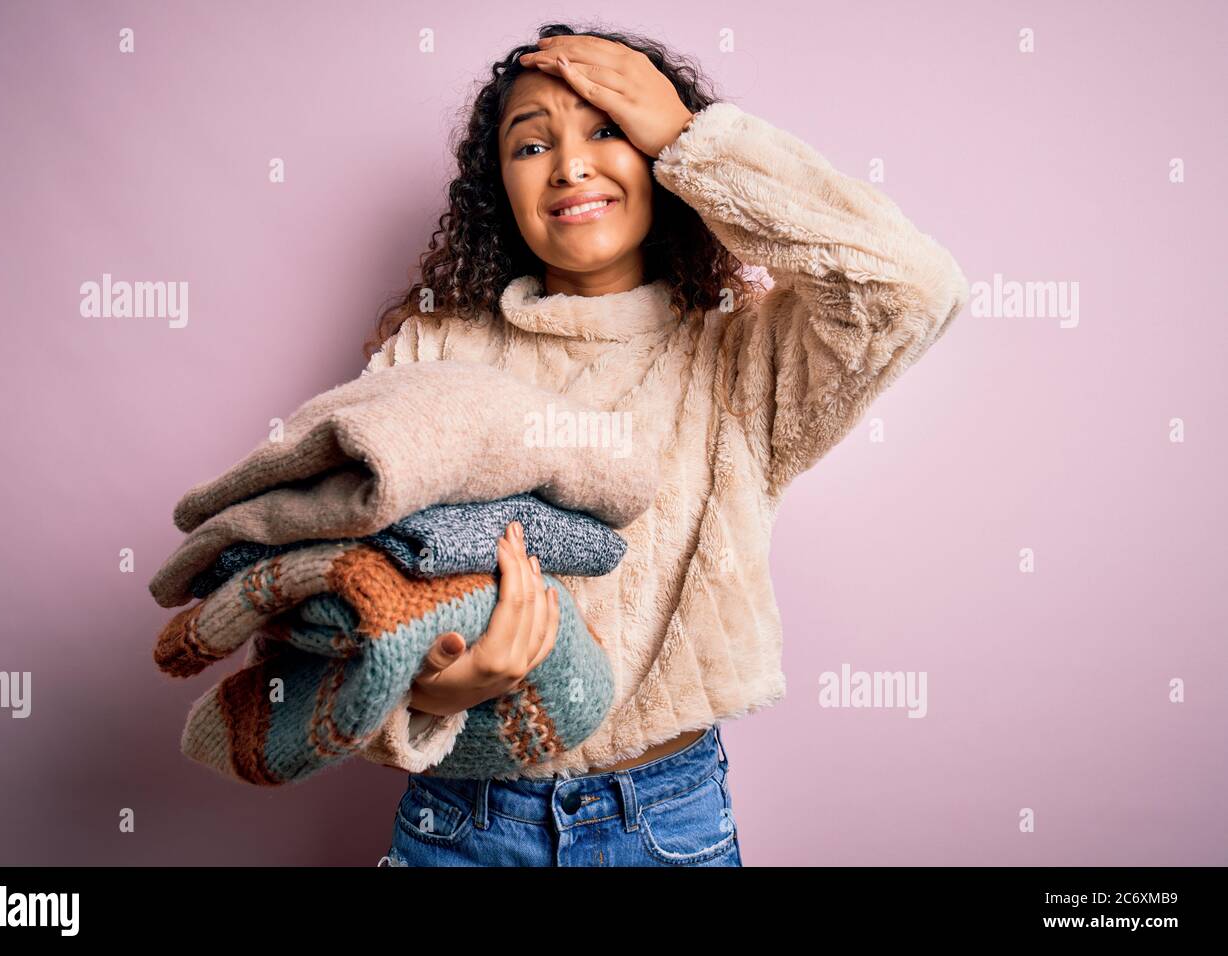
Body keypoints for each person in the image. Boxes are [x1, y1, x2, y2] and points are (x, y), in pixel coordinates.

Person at [365, 22, 969, 866]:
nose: (572, 165)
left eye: (608, 127)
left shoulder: (741, 363)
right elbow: (346, 589)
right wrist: (433, 689)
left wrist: (694, 139)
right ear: (497, 187)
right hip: (460, 820)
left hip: (662, 822)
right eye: (532, 144)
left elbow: (911, 286)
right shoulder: (430, 353)